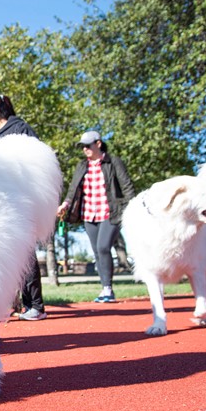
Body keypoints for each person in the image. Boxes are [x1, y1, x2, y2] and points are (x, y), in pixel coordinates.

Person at [0, 92, 47, 320]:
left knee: (24, 253)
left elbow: (38, 164)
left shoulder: (20, 130)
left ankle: (35, 306)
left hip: (21, 200)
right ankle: (8, 302)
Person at [57, 130, 136, 303]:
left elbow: (127, 186)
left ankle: (108, 289)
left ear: (98, 144)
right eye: (82, 147)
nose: (85, 149)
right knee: (97, 252)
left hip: (110, 212)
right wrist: (65, 204)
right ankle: (105, 288)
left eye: (87, 146)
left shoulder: (113, 162)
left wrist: (133, 208)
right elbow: (73, 189)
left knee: (103, 247)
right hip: (89, 214)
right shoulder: (82, 166)